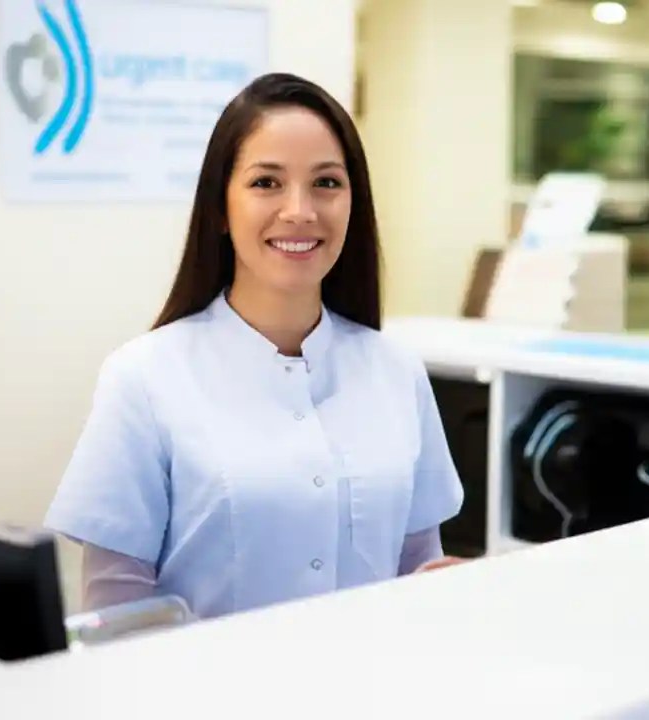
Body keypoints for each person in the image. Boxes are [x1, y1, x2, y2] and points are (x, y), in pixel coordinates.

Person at [44, 73, 466, 619]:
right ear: (220, 208)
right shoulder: (144, 377)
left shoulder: (397, 371)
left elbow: (417, 568)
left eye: (327, 183)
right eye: (267, 183)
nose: (300, 211)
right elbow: (114, 611)